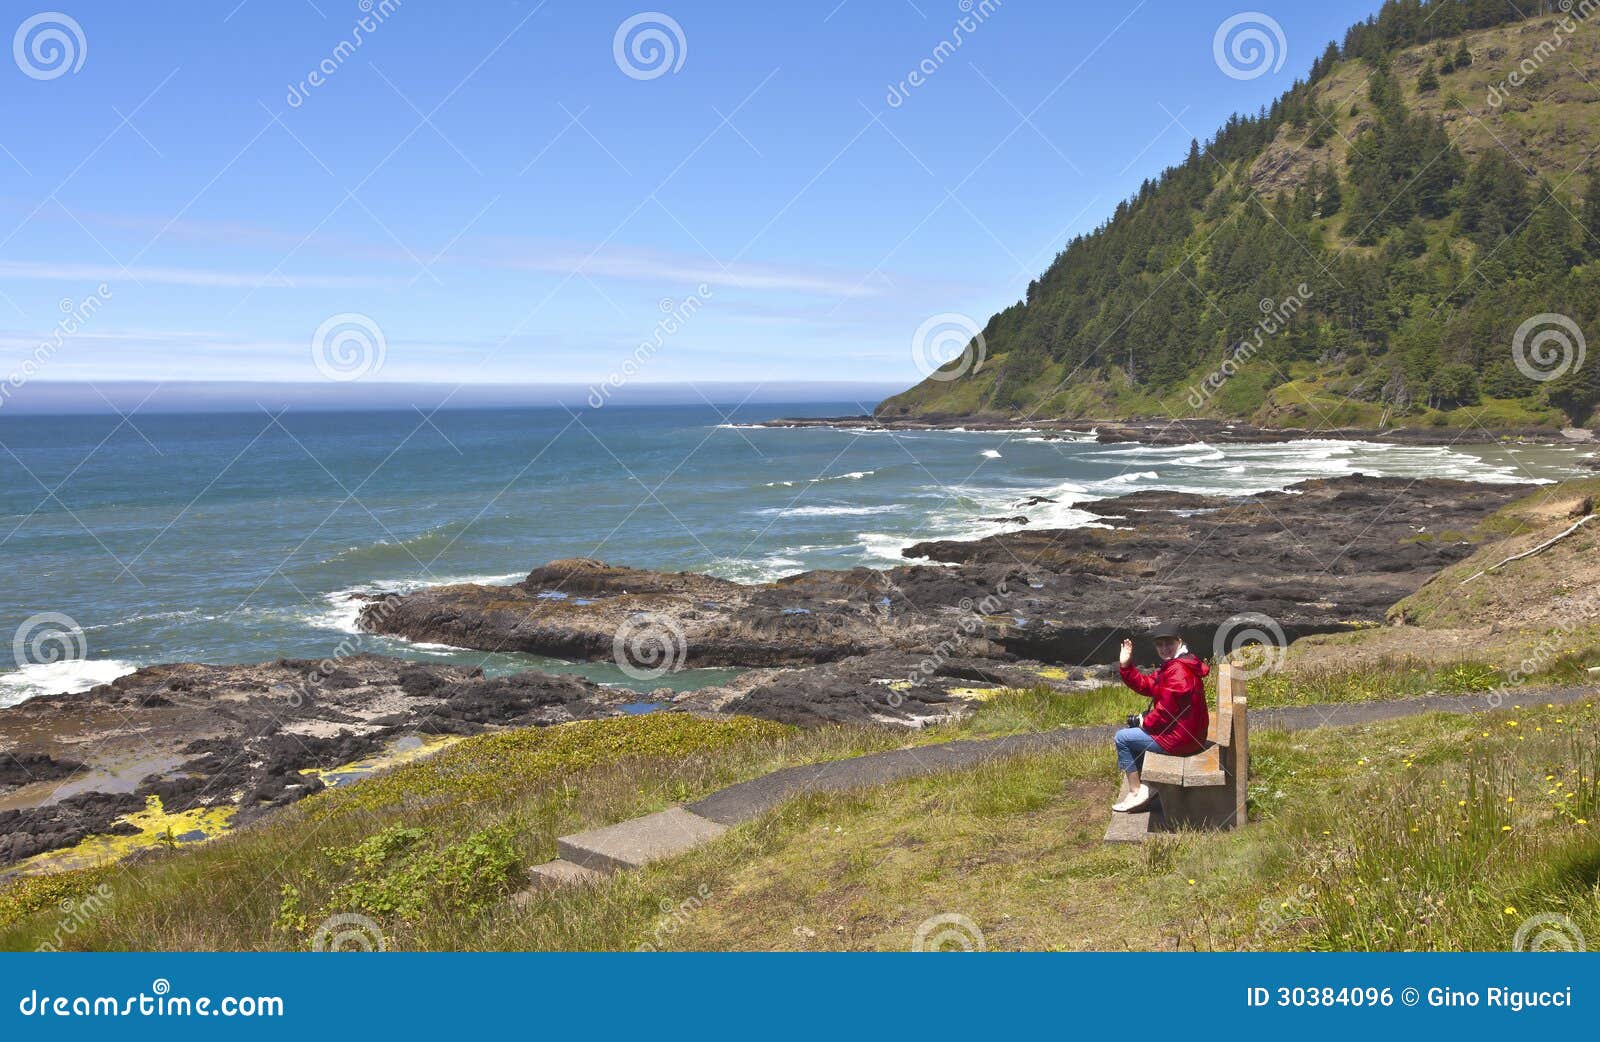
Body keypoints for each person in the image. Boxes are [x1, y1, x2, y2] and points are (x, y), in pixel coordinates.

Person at [1111, 620, 1210, 813]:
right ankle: (1147, 786)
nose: (1164, 648)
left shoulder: (1178, 671)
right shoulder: (1178, 664)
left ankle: (1136, 792)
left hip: (1182, 740)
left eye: (1169, 643)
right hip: (1190, 734)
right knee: (1134, 734)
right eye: (1160, 644)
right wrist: (1126, 665)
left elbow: (1166, 713)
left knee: (1122, 738)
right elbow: (1148, 685)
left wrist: (1143, 721)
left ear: (1179, 642)